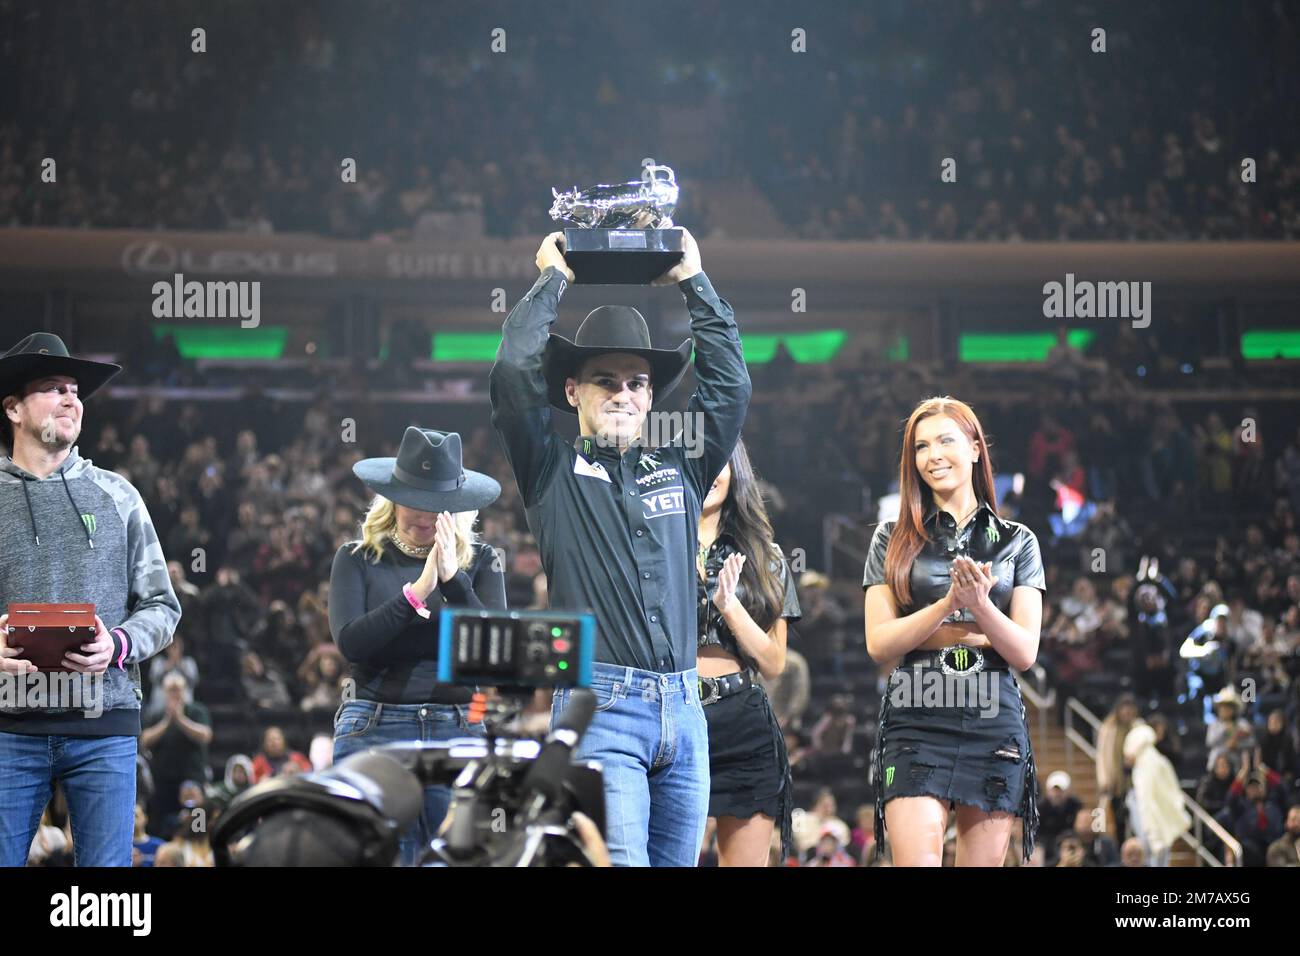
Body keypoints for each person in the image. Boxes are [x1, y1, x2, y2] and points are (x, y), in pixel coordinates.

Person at [489, 229, 750, 866]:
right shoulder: (549, 466)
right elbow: (512, 375)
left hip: (686, 706)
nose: (623, 393)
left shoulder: (682, 465)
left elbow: (731, 390)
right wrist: (553, 279)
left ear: (653, 397)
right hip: (600, 707)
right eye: (604, 380)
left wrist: (695, 279)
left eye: (637, 382)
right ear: (572, 391)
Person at [0, 332, 182, 867]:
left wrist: (119, 643)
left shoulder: (119, 495)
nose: (70, 398)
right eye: (52, 387)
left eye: (75, 389)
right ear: (12, 407)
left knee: (104, 898)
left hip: (103, 725)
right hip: (9, 725)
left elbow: (162, 606)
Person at [864, 396, 1046, 866]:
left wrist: (981, 607)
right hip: (916, 712)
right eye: (921, 446)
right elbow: (880, 642)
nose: (933, 455)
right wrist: (951, 605)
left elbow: (1024, 650)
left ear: (975, 448)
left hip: (993, 717)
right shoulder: (891, 538)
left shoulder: (1019, 540)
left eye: (946, 440)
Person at [330, 426, 504, 865]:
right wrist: (418, 591)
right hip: (375, 724)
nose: (425, 516)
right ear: (392, 497)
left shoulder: (482, 561)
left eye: (438, 505)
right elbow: (354, 643)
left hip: (458, 727)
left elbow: (495, 651)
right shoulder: (356, 558)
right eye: (416, 502)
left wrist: (453, 580)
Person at [695, 437, 802, 865]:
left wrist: (730, 606)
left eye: (717, 462)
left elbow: (774, 663)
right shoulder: (654, 549)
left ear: (735, 470)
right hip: (673, 716)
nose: (707, 473)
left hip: (743, 723)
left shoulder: (767, 557)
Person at [139, 671, 212, 831]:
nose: (175, 693)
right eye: (171, 690)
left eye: (178, 689)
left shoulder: (196, 711)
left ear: (185, 690)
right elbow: (145, 740)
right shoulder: (157, 715)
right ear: (164, 692)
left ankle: (197, 849)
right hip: (163, 781)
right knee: (164, 826)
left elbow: (205, 735)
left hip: (192, 779)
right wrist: (167, 721)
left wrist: (181, 720)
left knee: (196, 826)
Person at [1123, 722, 1190, 867]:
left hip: (1151, 820)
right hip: (1162, 816)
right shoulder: (1160, 760)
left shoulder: (1143, 767)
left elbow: (1146, 801)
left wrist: (1152, 832)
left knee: (1151, 850)